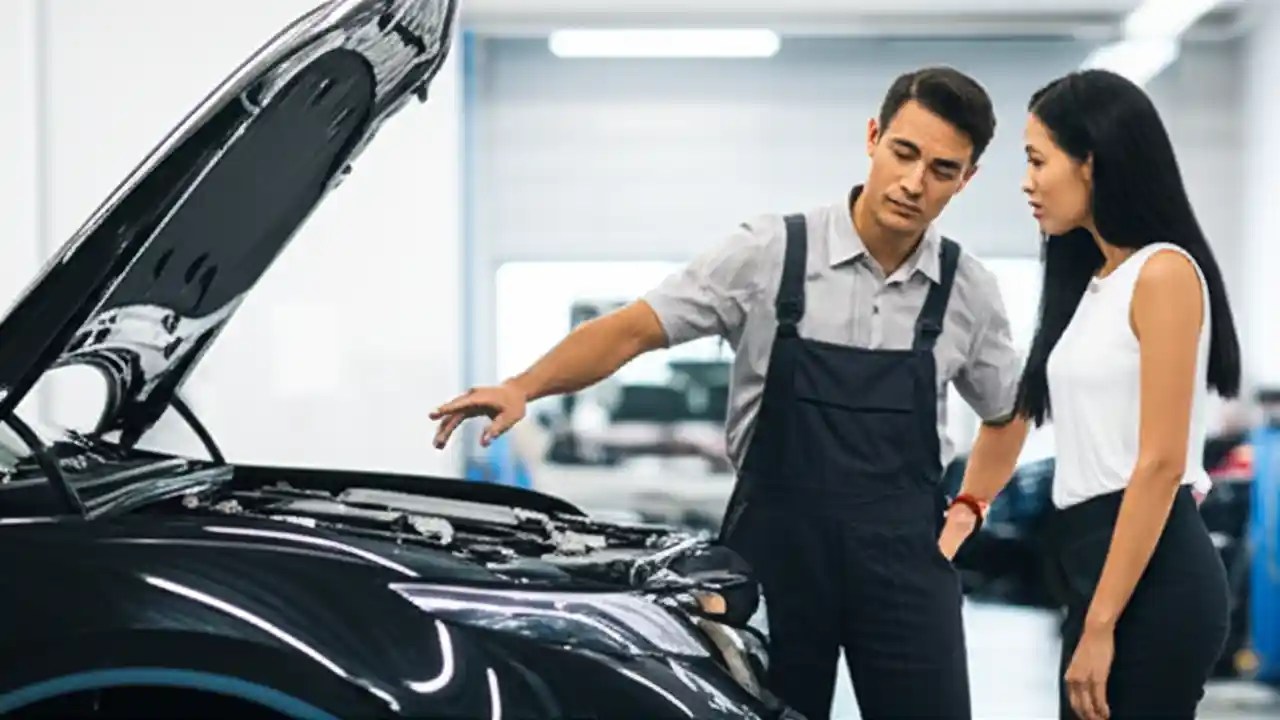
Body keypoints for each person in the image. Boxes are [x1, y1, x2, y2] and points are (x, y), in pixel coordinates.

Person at [431, 66, 1030, 720]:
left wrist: (969, 507)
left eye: (942, 170)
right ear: (872, 137)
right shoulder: (771, 254)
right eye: (904, 152)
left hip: (903, 560)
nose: (914, 183)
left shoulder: (967, 289)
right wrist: (523, 385)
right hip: (776, 555)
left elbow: (1008, 412)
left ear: (966, 179)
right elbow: (634, 329)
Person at [1006, 69, 1238, 720]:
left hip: (1150, 573)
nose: (1026, 181)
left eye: (1037, 160)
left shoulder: (1163, 273)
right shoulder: (1094, 282)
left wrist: (1101, 622)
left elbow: (1160, 463)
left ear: (1090, 161)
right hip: (1095, 564)